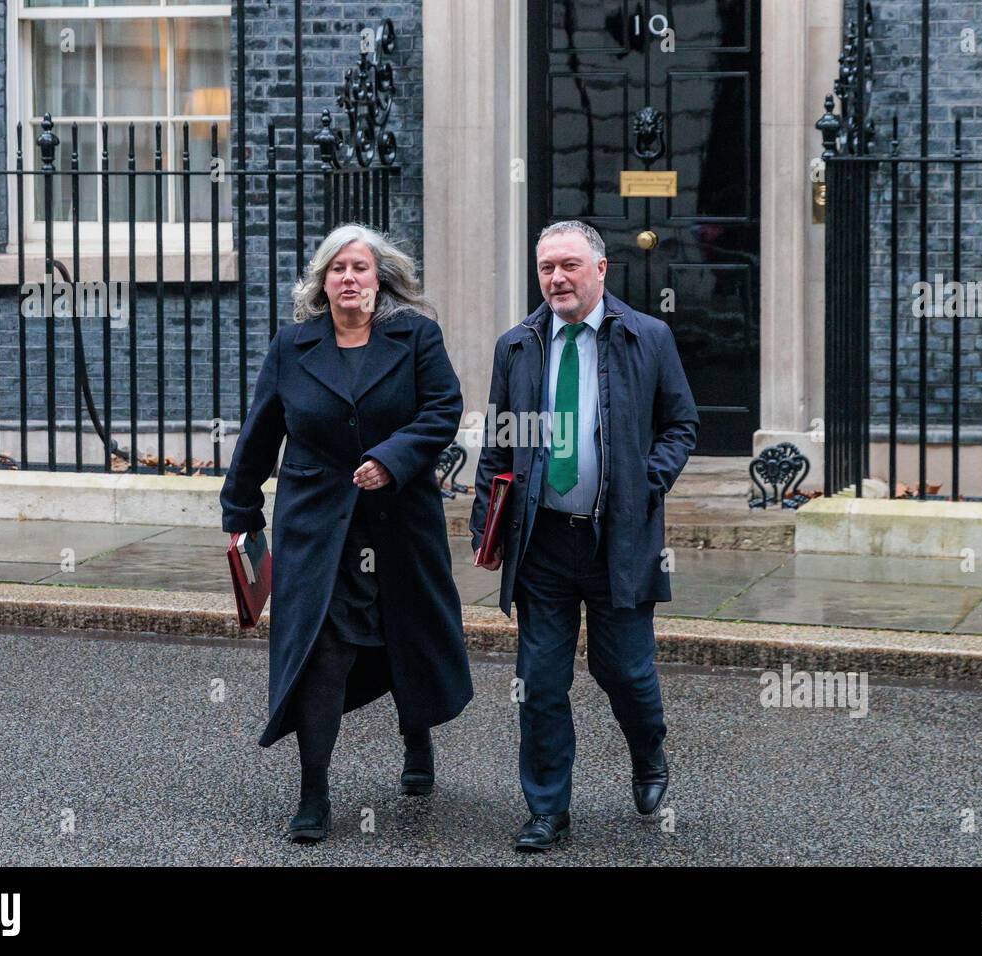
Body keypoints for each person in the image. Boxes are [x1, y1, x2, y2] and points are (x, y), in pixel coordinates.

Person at [220, 223, 473, 844]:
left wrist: (393, 457)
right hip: (316, 523)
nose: (349, 278)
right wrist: (240, 511)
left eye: (360, 267)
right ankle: (314, 790)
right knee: (320, 648)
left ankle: (417, 740)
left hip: (399, 519)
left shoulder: (415, 336)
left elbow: (443, 408)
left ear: (380, 278)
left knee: (403, 634)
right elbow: (260, 431)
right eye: (337, 269)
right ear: (321, 282)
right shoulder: (293, 345)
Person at [470, 220, 699, 852]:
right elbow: (501, 439)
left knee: (622, 668)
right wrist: (484, 521)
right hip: (541, 540)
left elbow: (681, 424)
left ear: (601, 270)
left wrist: (645, 483)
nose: (556, 279)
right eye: (546, 268)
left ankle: (648, 751)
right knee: (540, 681)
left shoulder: (646, 336)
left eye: (569, 265)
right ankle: (547, 810)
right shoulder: (517, 344)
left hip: (618, 539)